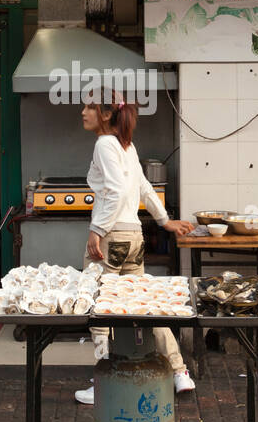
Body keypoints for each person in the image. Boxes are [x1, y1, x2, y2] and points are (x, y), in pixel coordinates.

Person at [74, 92, 196, 405]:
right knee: (144, 306)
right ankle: (180, 372)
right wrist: (165, 220)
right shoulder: (126, 145)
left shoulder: (104, 144)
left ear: (104, 114)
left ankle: (103, 383)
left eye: (89, 107)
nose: (83, 112)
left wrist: (96, 231)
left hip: (111, 237)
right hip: (134, 238)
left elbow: (114, 191)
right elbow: (144, 187)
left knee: (98, 308)